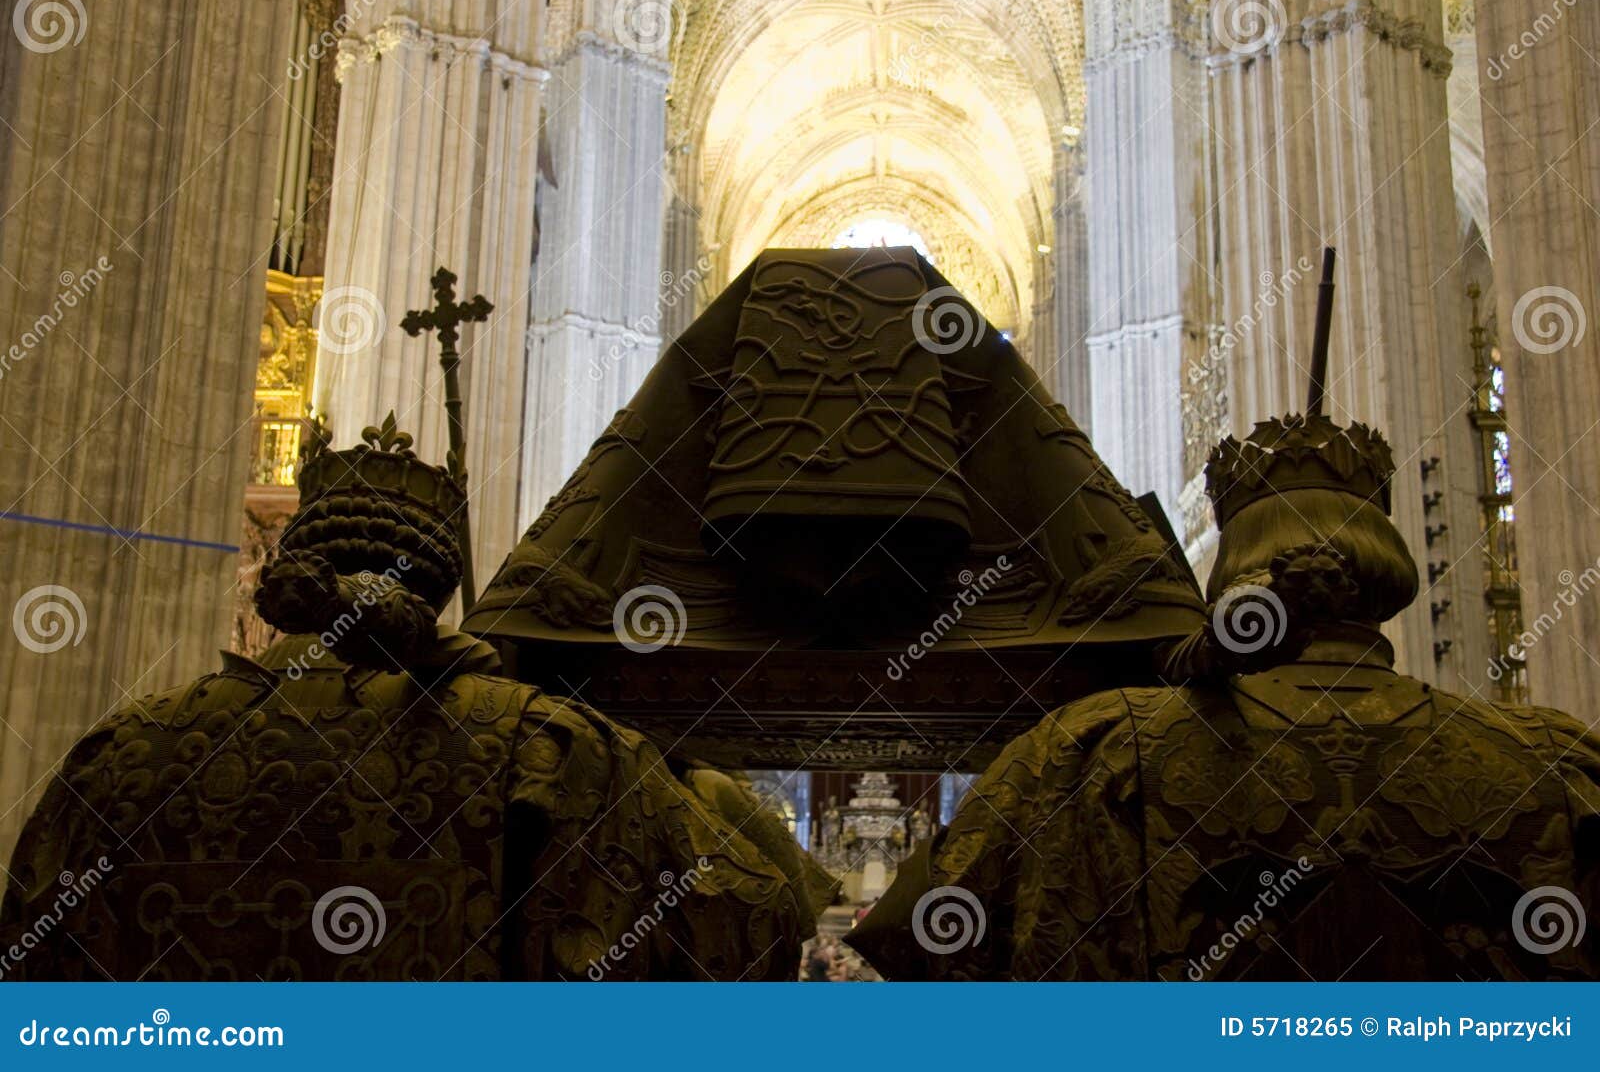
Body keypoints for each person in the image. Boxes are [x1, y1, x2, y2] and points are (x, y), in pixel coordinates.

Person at [1, 417, 823, 980]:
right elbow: (753, 926)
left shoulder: (122, 756)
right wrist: (694, 777)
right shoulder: (547, 750)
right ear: (436, 588)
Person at [849, 414, 1600, 980]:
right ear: (1385, 567)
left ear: (1236, 569)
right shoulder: (1555, 764)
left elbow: (911, 932)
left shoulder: (1096, 754)